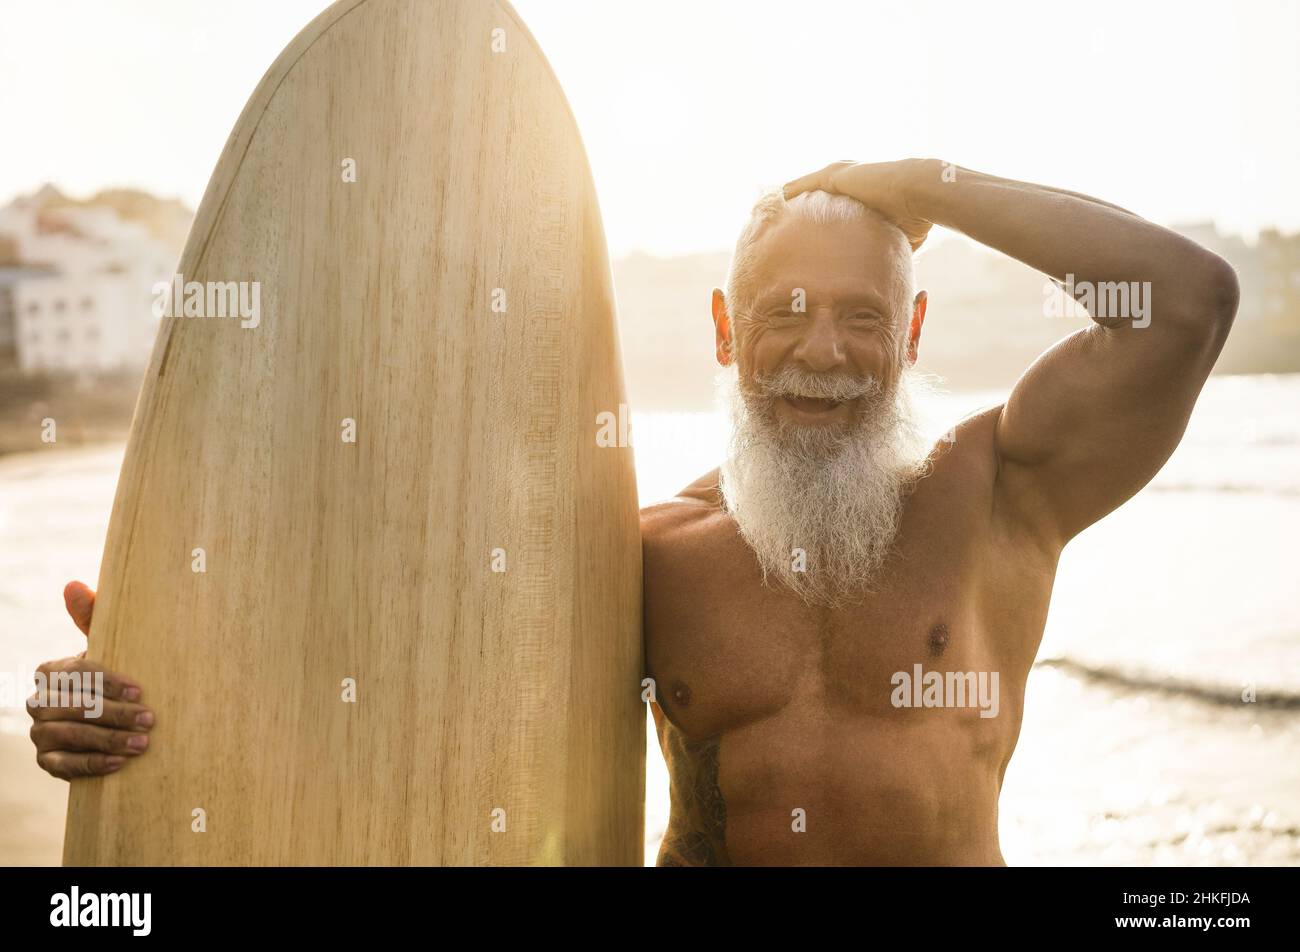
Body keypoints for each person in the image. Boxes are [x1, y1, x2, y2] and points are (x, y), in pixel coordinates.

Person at [29, 159, 1239, 866]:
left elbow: (1186, 302)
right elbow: (365, 674)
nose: (823, 351)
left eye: (863, 316)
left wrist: (924, 182)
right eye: (783, 311)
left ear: (911, 335)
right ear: (721, 329)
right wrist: (124, 686)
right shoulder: (637, 556)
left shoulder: (998, 496)